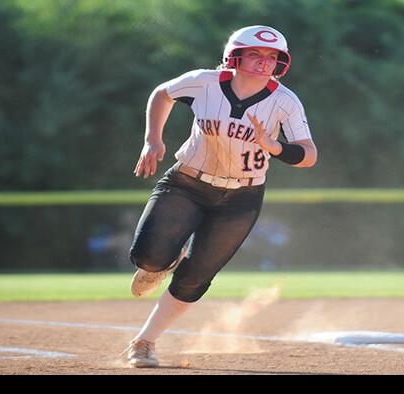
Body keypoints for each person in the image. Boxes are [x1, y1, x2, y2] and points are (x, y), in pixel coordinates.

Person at [122, 25, 317, 368]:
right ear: (235, 56)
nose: (264, 62)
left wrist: (276, 147)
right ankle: (163, 262)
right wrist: (153, 139)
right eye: (255, 54)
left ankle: (144, 341)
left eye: (272, 57)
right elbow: (162, 94)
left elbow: (309, 154)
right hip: (187, 183)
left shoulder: (285, 101)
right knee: (148, 258)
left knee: (196, 277)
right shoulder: (205, 81)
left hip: (241, 197)